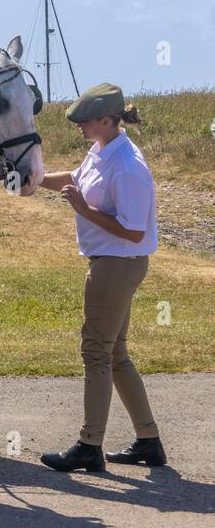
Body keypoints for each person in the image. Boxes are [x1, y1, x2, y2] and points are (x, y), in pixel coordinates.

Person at [38, 83, 164, 472]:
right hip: (111, 263)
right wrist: (31, 178)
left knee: (96, 351)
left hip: (117, 264)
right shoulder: (102, 151)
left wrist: (83, 209)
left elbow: (134, 230)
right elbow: (71, 178)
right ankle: (148, 441)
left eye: (84, 121)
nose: (78, 127)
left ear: (107, 121)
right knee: (115, 354)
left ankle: (89, 445)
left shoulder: (128, 166)